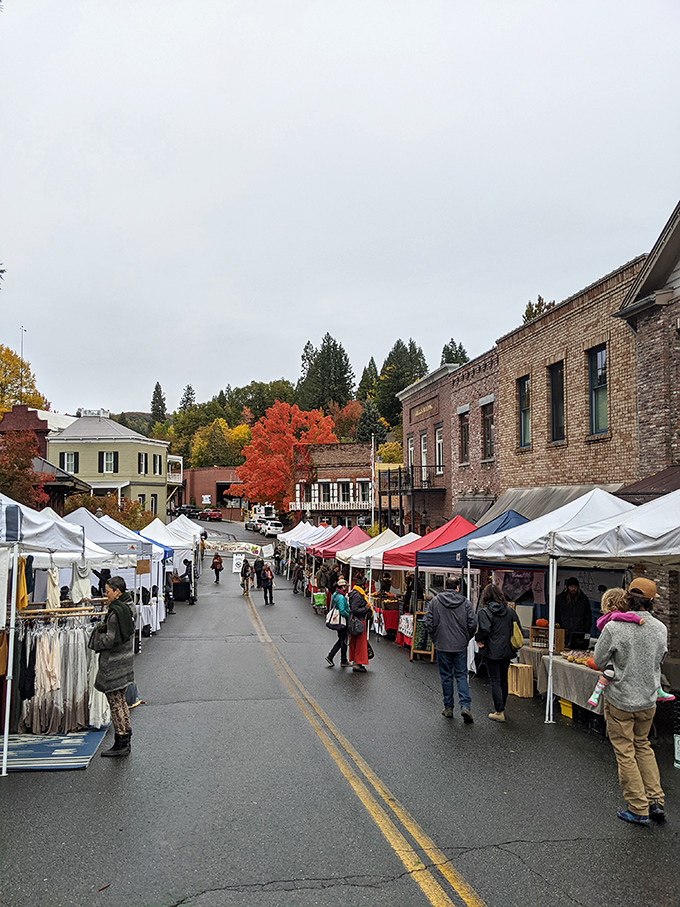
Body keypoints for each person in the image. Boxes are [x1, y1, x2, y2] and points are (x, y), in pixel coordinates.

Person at [593, 578, 669, 825]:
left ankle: (638, 808)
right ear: (651, 601)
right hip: (647, 699)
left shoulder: (614, 627)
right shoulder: (660, 628)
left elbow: (600, 659)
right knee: (643, 745)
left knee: (625, 752)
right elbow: (661, 658)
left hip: (620, 698)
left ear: (628, 597)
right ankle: (656, 800)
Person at [88, 576, 136, 757]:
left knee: (115, 702)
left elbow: (110, 639)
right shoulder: (130, 607)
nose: (106, 595)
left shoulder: (116, 612)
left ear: (117, 591)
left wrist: (95, 637)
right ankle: (124, 737)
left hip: (114, 663)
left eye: (108, 592)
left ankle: (121, 741)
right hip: (125, 660)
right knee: (121, 701)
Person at [424, 577, 476, 722]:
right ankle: (465, 705)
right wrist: (466, 638)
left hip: (442, 643)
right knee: (461, 675)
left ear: (445, 586)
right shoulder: (465, 602)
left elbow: (428, 622)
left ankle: (448, 707)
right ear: (457, 587)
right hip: (460, 644)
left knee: (446, 676)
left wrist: (435, 637)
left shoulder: (435, 601)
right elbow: (472, 623)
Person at [476, 584, 523, 723]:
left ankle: (499, 711)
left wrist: (478, 638)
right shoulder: (510, 611)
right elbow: (517, 629)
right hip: (507, 650)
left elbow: (484, 630)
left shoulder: (484, 612)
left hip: (491, 651)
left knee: (495, 680)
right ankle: (502, 707)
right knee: (504, 679)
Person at [555, 577, 592, 647]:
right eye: (571, 586)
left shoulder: (583, 599)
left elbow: (588, 615)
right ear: (568, 587)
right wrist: (559, 629)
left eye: (575, 587)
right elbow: (557, 614)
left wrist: (586, 629)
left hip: (579, 632)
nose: (573, 589)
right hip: (564, 632)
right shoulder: (560, 599)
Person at [325, 577, 351, 667]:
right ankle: (342, 660)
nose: (346, 588)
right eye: (345, 586)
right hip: (342, 621)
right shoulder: (341, 597)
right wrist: (348, 615)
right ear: (342, 587)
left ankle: (331, 656)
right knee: (343, 641)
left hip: (337, 620)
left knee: (341, 640)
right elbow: (342, 611)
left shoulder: (335, 595)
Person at [348, 579, 373, 673]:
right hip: (359, 621)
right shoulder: (358, 595)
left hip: (357, 621)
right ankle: (357, 663)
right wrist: (365, 608)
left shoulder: (355, 593)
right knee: (360, 644)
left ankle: (356, 661)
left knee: (356, 643)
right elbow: (355, 609)